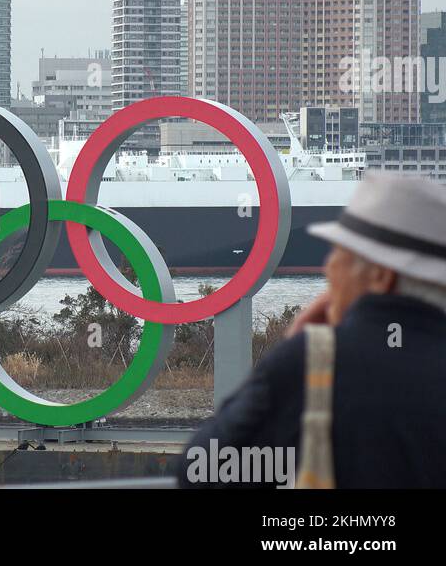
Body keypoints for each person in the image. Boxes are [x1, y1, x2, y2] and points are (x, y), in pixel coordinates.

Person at [177, 172, 446, 488]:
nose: (329, 267)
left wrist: (287, 356)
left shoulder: (315, 365)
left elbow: (202, 470)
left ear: (381, 277)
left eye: (340, 256)